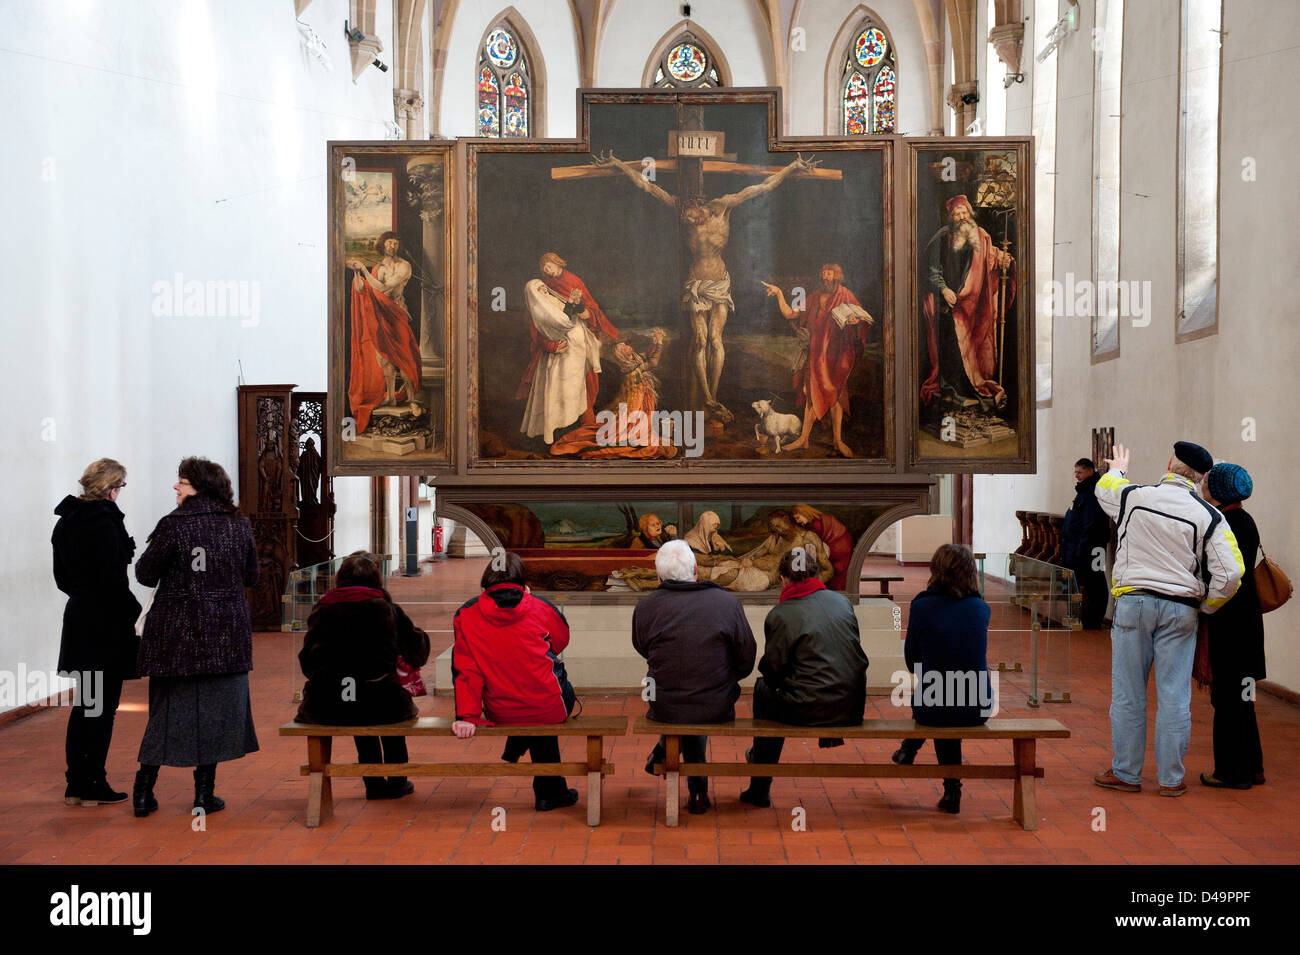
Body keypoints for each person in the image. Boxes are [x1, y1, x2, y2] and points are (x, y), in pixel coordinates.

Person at [593, 151, 817, 422]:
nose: (688, 222)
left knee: (715, 339)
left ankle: (714, 393)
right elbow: (647, 186)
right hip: (697, 285)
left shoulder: (723, 206)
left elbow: (763, 187)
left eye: (690, 217)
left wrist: (793, 165)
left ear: (698, 205)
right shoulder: (678, 207)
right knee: (699, 341)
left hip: (720, 282)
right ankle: (708, 399)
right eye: (685, 220)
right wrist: (618, 163)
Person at [1092, 441, 1244, 797]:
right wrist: (1206, 605)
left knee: (1129, 694)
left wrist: (1118, 469)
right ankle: (1170, 779)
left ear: (1168, 464)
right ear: (1201, 478)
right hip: (1181, 610)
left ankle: (1127, 773)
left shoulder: (1133, 497)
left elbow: (1104, 488)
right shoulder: (1210, 516)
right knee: (1175, 697)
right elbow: (1232, 574)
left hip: (1133, 605)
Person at [133, 457, 260, 817]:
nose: (175, 487)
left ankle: (143, 793)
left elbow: (144, 574)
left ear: (200, 487)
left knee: (166, 714)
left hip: (176, 637)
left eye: (182, 482)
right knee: (216, 715)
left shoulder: (172, 525)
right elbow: (251, 575)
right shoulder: (238, 524)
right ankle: (204, 795)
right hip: (225, 635)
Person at [633, 540, 757, 815]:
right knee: (697, 695)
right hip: (715, 701)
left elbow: (643, 648)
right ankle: (697, 791)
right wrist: (721, 674)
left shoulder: (646, 608)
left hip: (663, 701)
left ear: (659, 576)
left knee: (685, 697)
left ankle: (666, 754)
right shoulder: (727, 603)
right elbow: (746, 658)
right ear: (696, 570)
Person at [450, 552, 580, 811]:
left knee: (527, 707)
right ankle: (549, 793)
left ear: (486, 580)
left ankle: (526, 756)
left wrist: (468, 715)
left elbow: (467, 670)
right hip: (550, 704)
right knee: (543, 696)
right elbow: (561, 640)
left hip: (502, 708)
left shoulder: (467, 613)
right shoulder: (540, 607)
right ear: (523, 580)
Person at [740, 547, 868, 807]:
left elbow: (772, 672)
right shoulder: (841, 602)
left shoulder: (781, 614)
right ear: (815, 573)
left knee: (764, 690)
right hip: (851, 705)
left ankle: (759, 784)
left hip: (809, 708)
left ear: (783, 579)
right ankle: (827, 731)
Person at [296, 552, 430, 799]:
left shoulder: (322, 609)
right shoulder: (387, 609)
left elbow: (307, 660)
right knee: (385, 708)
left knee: (357, 706)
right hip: (382, 702)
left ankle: (374, 783)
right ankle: (397, 780)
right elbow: (417, 652)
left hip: (330, 703)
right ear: (376, 579)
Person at [51, 459, 142, 806]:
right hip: (107, 624)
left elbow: (62, 579)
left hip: (80, 618)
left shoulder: (66, 522)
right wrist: (134, 610)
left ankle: (77, 781)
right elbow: (113, 582)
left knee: (86, 705)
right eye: (120, 487)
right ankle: (94, 783)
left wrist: (84, 596)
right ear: (111, 488)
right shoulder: (105, 523)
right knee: (103, 708)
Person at [891, 544, 994, 814]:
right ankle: (949, 789)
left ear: (936, 570)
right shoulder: (981, 608)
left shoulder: (922, 606)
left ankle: (920, 759)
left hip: (935, 704)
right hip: (979, 705)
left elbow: (912, 660)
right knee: (950, 694)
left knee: (940, 701)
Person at [761, 264, 874, 458]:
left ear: (837, 277)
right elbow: (790, 313)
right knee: (810, 392)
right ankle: (804, 438)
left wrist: (855, 322)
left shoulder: (846, 295)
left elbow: (863, 321)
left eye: (829, 274)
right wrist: (779, 293)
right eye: (823, 274)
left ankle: (837, 441)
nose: (825, 278)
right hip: (816, 354)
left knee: (836, 394)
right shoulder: (813, 298)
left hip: (837, 356)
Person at [1199, 463, 1266, 789]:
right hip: (1247, 622)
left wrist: (1205, 602)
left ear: (1222, 491)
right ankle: (1252, 766)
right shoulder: (1245, 519)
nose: (1203, 485)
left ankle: (1230, 772)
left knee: (1226, 699)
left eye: (1209, 483)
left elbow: (1222, 574)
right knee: (1242, 698)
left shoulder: (1226, 523)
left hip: (1230, 622)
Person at [920, 194, 1016, 410]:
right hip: (946, 301)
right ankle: (953, 388)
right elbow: (931, 271)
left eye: (964, 212)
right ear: (951, 218)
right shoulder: (941, 238)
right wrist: (944, 289)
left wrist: (1003, 259)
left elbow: (990, 257)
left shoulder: (980, 236)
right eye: (956, 214)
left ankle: (972, 386)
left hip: (971, 304)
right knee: (952, 344)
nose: (961, 217)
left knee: (973, 343)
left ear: (970, 214)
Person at [346, 232, 423, 432]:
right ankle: (390, 396)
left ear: (399, 246)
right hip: (381, 315)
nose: (392, 245)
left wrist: (362, 268)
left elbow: (383, 288)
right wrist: (357, 275)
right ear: (383, 245)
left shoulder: (404, 266)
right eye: (389, 242)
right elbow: (365, 291)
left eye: (395, 242)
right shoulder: (378, 268)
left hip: (397, 313)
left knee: (404, 355)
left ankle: (412, 399)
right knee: (384, 357)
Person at [1059, 458, 1112, 629]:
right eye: (1075, 473)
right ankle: (1080, 616)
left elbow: (1092, 525)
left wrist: (1081, 550)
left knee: (1096, 582)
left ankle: (1094, 619)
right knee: (1081, 581)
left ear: (1090, 471)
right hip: (1080, 547)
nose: (1077, 476)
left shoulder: (1095, 492)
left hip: (1094, 548)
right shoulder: (1083, 491)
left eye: (1080, 472)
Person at [791, 504, 853, 590]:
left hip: (838, 548)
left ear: (805, 513)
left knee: (837, 579)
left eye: (798, 517)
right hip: (838, 548)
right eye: (795, 519)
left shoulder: (816, 524)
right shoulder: (814, 523)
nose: (797, 521)